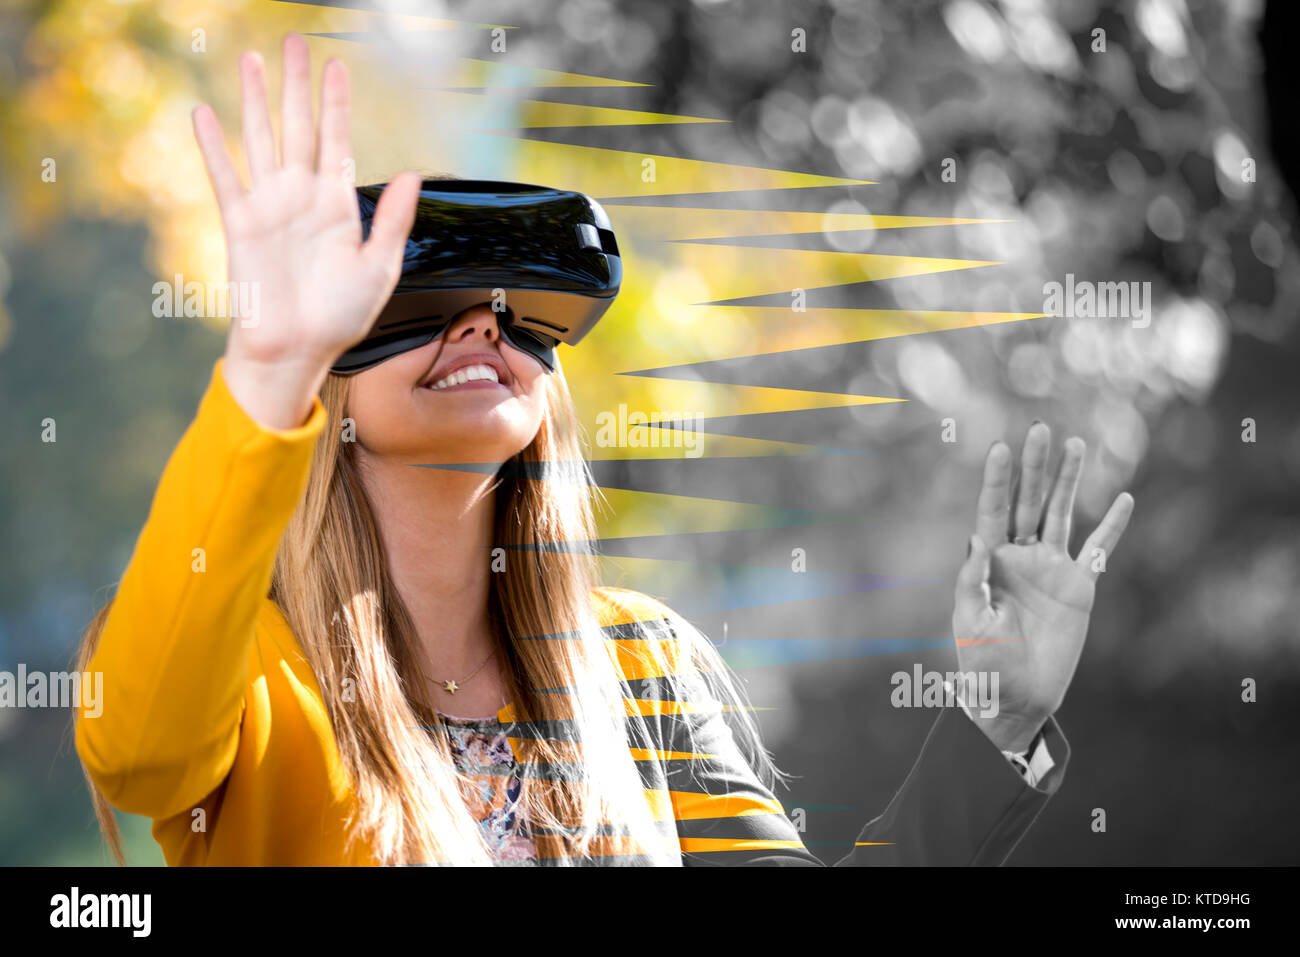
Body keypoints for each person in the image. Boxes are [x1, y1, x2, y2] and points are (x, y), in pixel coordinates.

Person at [73, 34, 1134, 867]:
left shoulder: (641, 665)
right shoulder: (241, 671)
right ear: (328, 386)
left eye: (518, 312)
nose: (481, 329)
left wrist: (992, 727)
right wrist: (267, 370)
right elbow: (139, 751)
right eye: (422, 304)